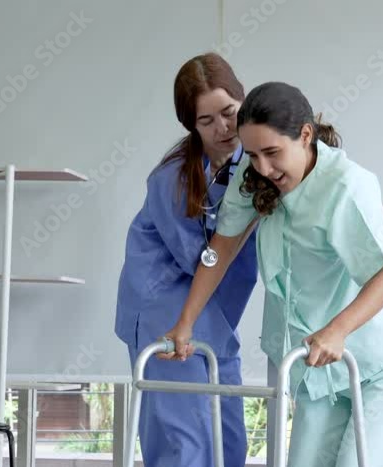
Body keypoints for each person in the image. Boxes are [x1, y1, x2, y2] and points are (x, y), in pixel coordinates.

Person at [162, 82, 383, 467]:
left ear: (305, 135)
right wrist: (185, 322)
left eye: (272, 153)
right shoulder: (254, 171)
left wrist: (337, 330)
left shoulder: (346, 186)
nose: (262, 167)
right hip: (319, 367)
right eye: (253, 153)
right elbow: (220, 249)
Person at [114, 52, 259, 467]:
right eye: (206, 121)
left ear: (242, 102)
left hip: (214, 313)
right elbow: (204, 259)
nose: (223, 128)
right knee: (186, 444)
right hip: (165, 306)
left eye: (229, 113)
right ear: (191, 126)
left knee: (230, 441)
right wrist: (253, 214)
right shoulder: (171, 180)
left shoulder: (258, 159)